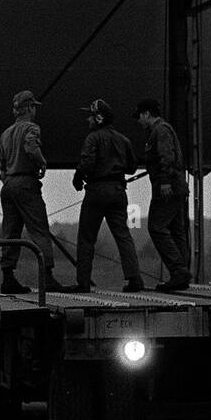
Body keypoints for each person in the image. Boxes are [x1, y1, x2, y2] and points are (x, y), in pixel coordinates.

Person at [0, 90, 68, 294]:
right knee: (39, 230)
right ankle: (47, 277)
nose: (35, 110)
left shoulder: (5, 133)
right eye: (34, 107)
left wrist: (8, 180)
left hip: (8, 185)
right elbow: (30, 147)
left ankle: (7, 277)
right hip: (26, 183)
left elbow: (1, 163)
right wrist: (42, 163)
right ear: (28, 108)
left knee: (10, 232)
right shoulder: (31, 127)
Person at [72, 100, 144, 294]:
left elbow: (87, 163)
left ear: (98, 118)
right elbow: (132, 167)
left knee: (87, 238)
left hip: (96, 191)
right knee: (123, 236)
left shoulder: (92, 138)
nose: (88, 119)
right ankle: (134, 278)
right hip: (118, 191)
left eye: (90, 116)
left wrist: (78, 177)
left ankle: (83, 282)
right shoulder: (124, 140)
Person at [133, 98, 191, 292]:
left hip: (167, 187)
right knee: (176, 230)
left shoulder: (160, 131)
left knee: (156, 227)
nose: (139, 121)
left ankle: (178, 271)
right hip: (176, 187)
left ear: (147, 114)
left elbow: (167, 156)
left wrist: (165, 181)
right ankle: (181, 273)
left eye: (140, 116)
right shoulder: (162, 130)